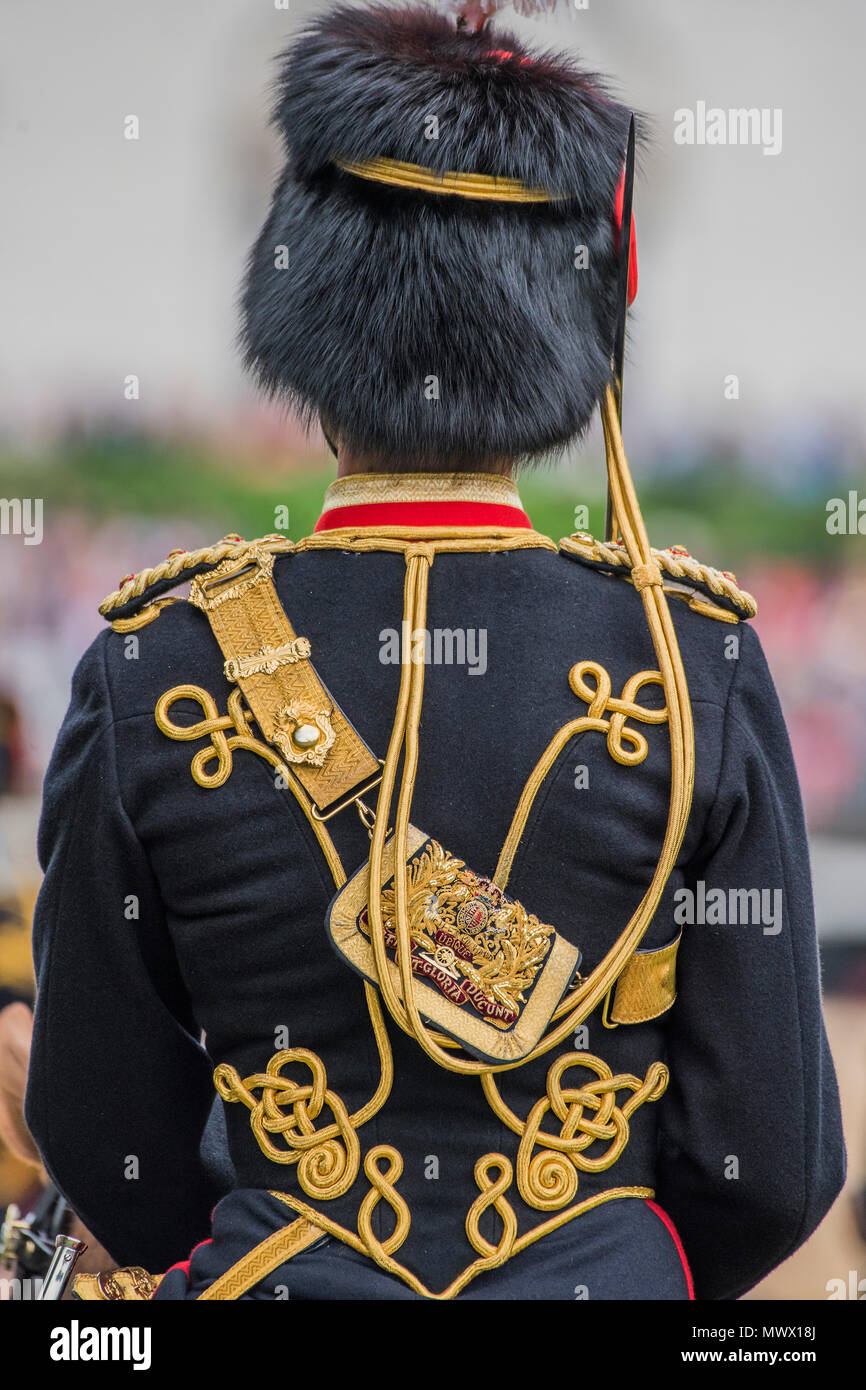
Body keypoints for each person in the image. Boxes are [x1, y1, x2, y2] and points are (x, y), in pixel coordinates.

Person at [25, 2, 844, 1301]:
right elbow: (772, 1164)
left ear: (303, 311)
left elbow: (102, 1132)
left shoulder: (153, 662)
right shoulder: (695, 660)